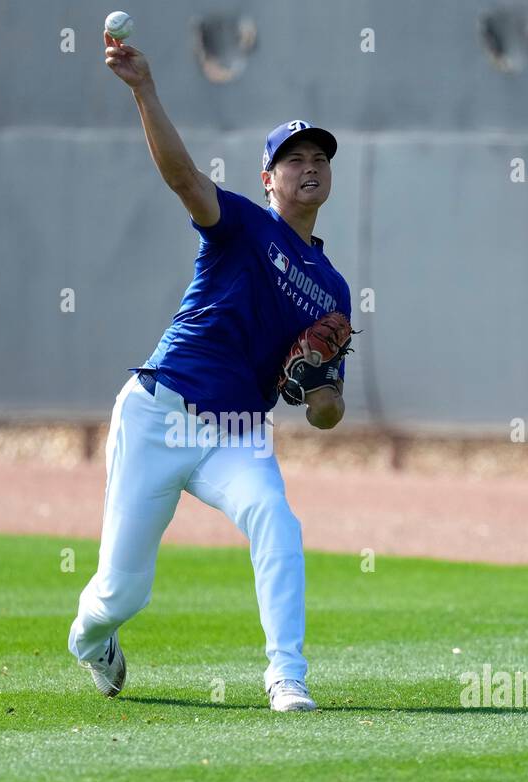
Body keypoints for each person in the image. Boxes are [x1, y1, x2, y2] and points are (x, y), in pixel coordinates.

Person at [66, 32, 352, 712]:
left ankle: (288, 677)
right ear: (268, 178)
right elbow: (182, 178)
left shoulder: (334, 291)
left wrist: (317, 392)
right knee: (121, 591)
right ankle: (90, 640)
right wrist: (144, 89)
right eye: (293, 158)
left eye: (318, 157)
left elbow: (329, 405)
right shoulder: (245, 227)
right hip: (159, 411)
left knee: (276, 520)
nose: (308, 166)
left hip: (236, 431)